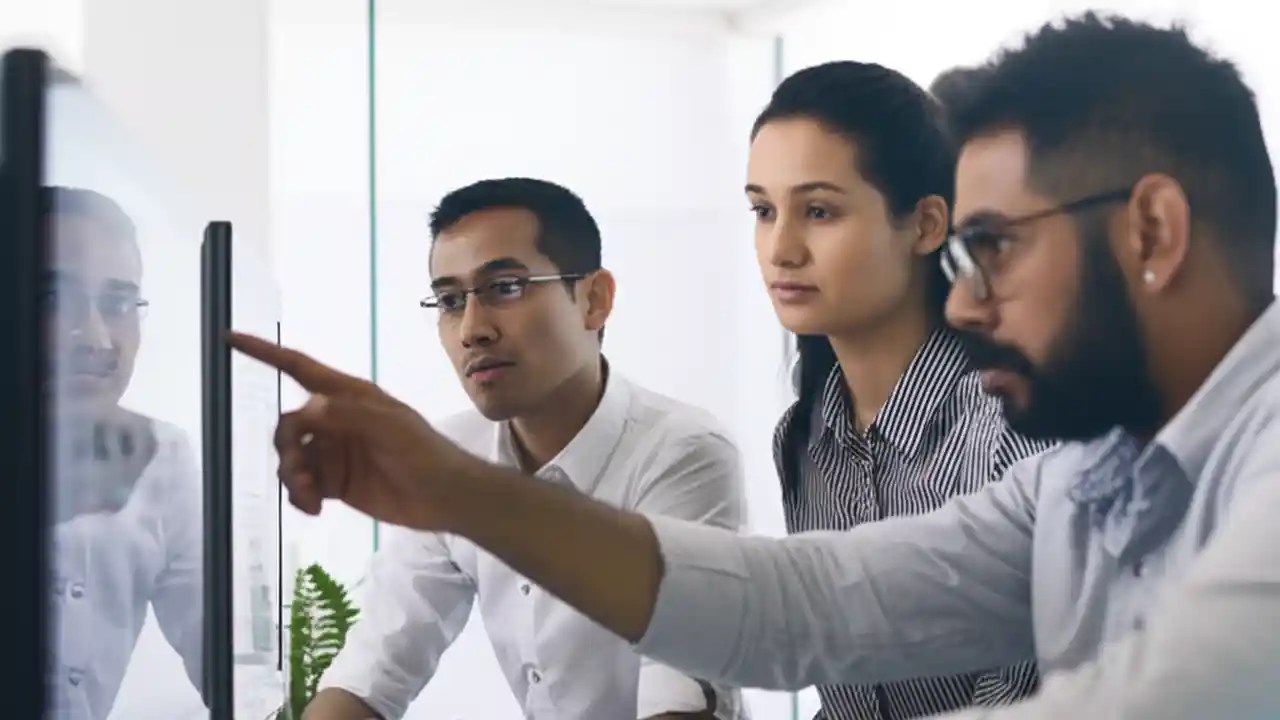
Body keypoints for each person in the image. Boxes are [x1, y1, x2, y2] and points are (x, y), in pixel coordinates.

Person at [232, 13, 1280, 719]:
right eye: (761, 211)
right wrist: (457, 488)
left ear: (1151, 229)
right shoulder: (1082, 475)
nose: (962, 301)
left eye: (990, 246)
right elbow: (810, 605)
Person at [304, 178, 747, 720]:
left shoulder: (682, 455)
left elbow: (678, 701)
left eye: (506, 287)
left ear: (594, 299)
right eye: (449, 301)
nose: (471, 330)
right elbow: (371, 673)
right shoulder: (451, 456)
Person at [747, 61, 1050, 719]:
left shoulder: (1010, 424)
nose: (780, 248)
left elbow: (1026, 692)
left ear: (926, 224)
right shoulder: (804, 438)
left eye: (819, 211)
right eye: (763, 211)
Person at [45, 186, 204, 719]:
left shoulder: (163, 459)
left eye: (117, 304)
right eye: (52, 300)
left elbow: (226, 655)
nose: (93, 337)